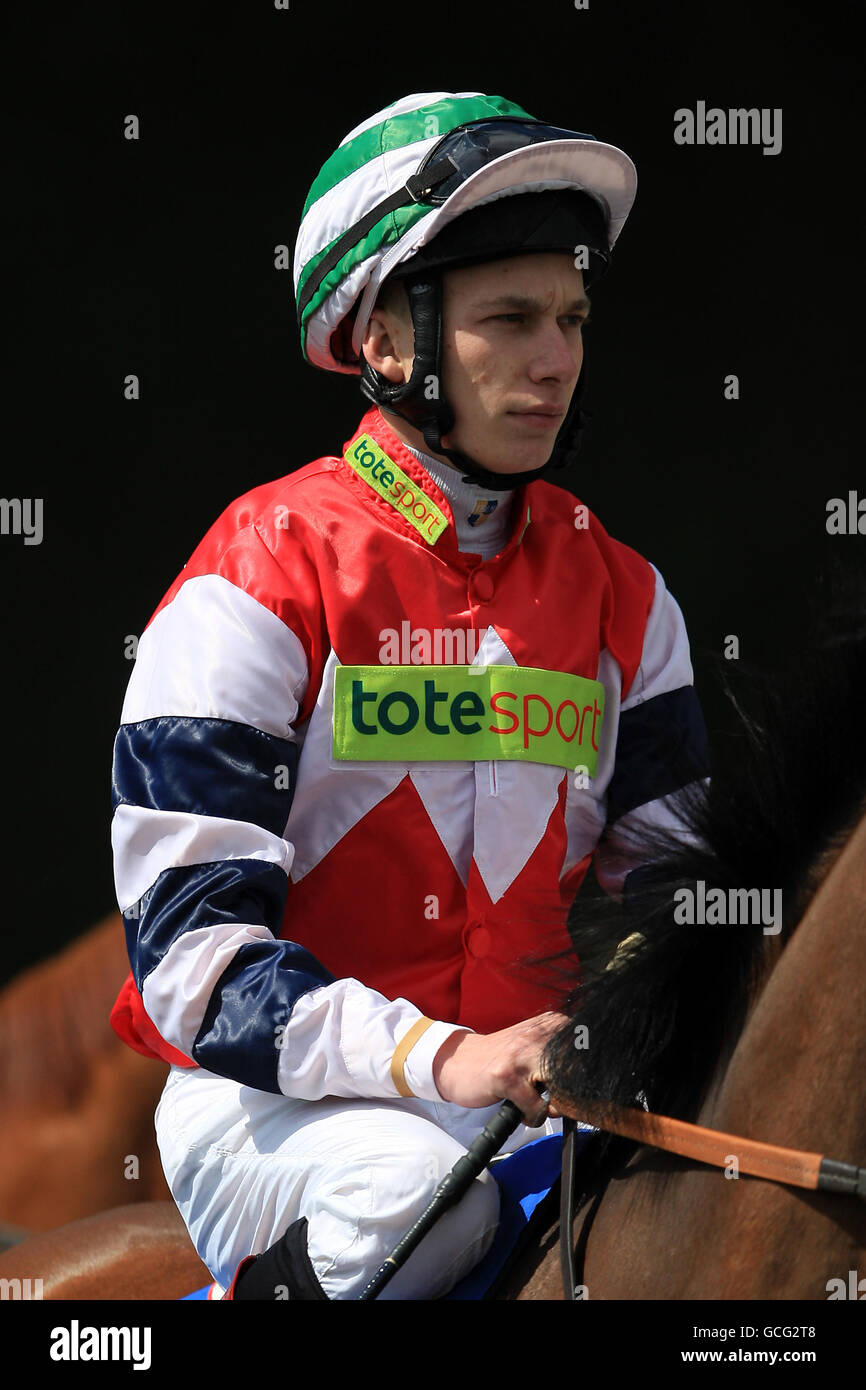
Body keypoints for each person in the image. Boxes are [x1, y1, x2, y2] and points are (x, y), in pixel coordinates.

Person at [109, 90, 710, 1300]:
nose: (555, 358)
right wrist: (444, 1059)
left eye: (571, 318)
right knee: (411, 1206)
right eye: (509, 319)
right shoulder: (258, 569)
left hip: (533, 1095)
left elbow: (681, 895)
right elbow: (193, 955)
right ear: (387, 340)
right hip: (280, 1110)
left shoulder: (627, 598)